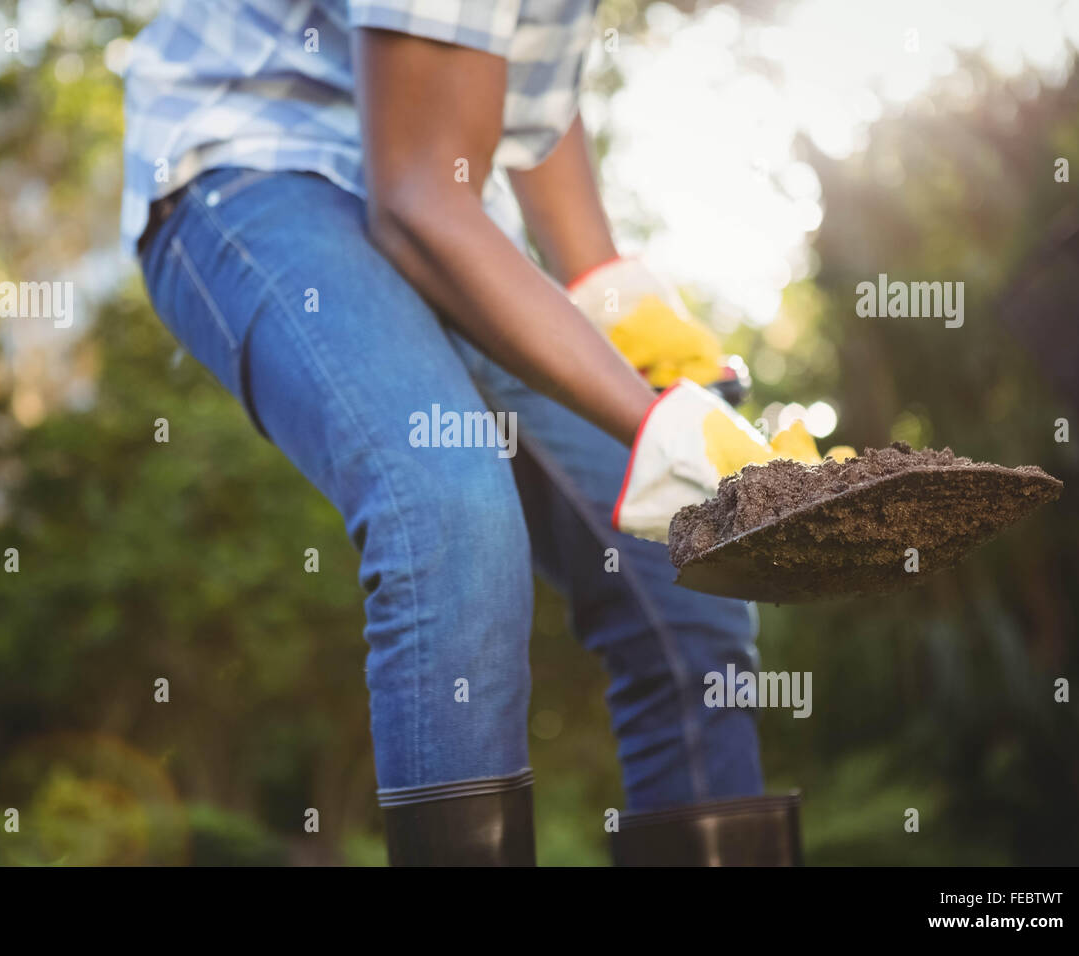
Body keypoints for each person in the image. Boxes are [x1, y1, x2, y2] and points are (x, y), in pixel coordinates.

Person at [123, 0, 828, 865]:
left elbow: (524, 99)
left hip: (443, 199)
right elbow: (417, 201)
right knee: (448, 506)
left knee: (682, 562)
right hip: (256, 161)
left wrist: (611, 291)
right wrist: (657, 425)